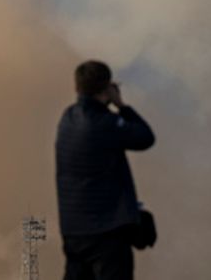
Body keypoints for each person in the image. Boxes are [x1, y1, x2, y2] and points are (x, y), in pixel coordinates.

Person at [55, 60, 156, 280]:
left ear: (76, 87)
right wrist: (121, 105)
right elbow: (145, 137)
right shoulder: (105, 124)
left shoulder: (67, 118)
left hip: (74, 232)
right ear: (106, 88)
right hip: (106, 234)